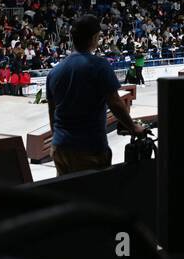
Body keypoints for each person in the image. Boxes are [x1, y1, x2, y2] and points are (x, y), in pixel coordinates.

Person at [46, 15, 144, 176]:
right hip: (88, 148)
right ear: (94, 38)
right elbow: (115, 103)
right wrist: (133, 127)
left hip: (60, 148)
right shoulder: (99, 65)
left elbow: (52, 112)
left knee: (66, 195)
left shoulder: (54, 72)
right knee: (90, 197)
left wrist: (56, 140)